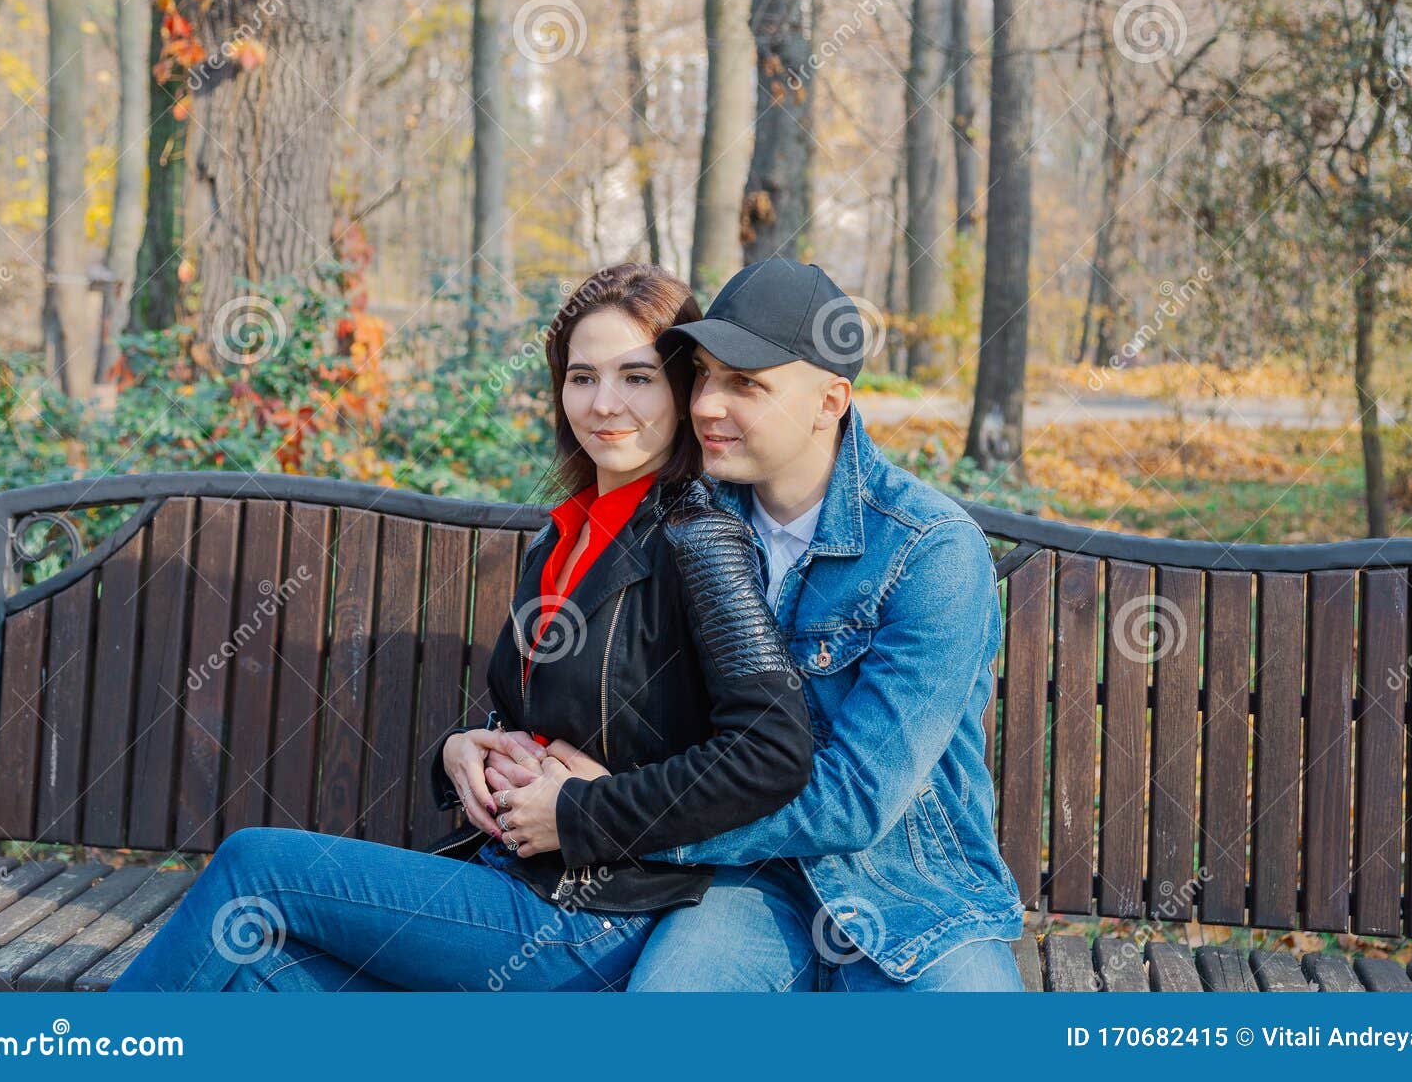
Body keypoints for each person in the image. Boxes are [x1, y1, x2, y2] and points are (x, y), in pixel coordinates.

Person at [110, 263, 812, 992]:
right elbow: (537, 710)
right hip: (506, 877)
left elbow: (771, 749)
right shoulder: (563, 537)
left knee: (254, 865)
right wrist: (458, 751)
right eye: (581, 377)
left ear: (681, 389)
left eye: (637, 377)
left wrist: (585, 812)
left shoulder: (696, 538)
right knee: (257, 973)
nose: (604, 404)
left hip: (592, 913)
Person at [497, 259, 1026, 991]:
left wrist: (613, 813)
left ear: (829, 400)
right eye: (705, 374)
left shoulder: (928, 551)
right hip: (738, 885)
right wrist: (474, 745)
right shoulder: (688, 516)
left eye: (746, 383)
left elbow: (855, 798)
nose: (708, 404)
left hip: (907, 890)